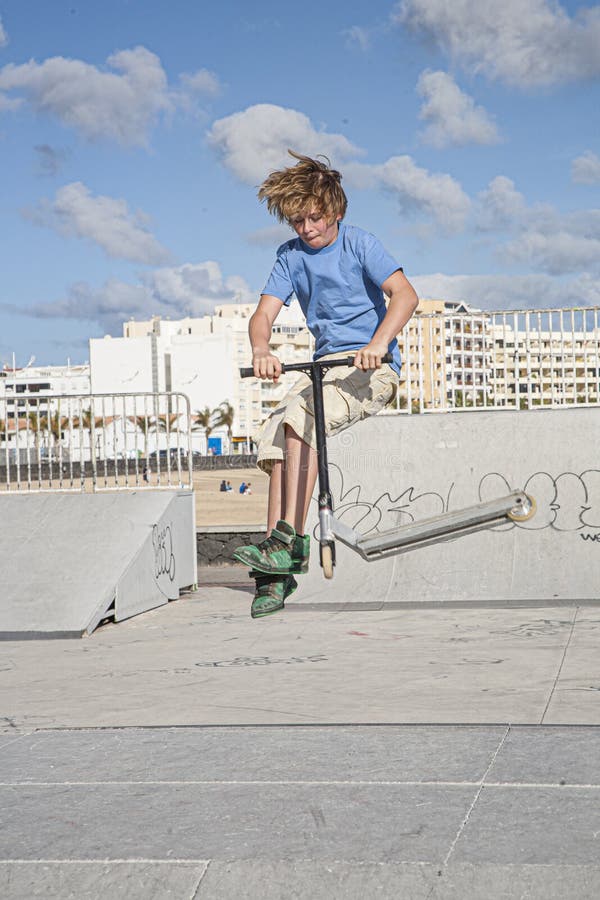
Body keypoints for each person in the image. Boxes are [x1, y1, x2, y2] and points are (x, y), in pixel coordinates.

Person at [233, 150, 418, 619]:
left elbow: (405, 295)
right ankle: (278, 571)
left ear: (334, 211)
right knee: (275, 437)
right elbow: (263, 315)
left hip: (369, 370)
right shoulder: (290, 257)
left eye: (314, 218)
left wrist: (379, 343)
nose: (307, 229)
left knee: (301, 415)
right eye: (298, 221)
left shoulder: (360, 244)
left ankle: (289, 545)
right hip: (323, 369)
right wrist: (261, 350)